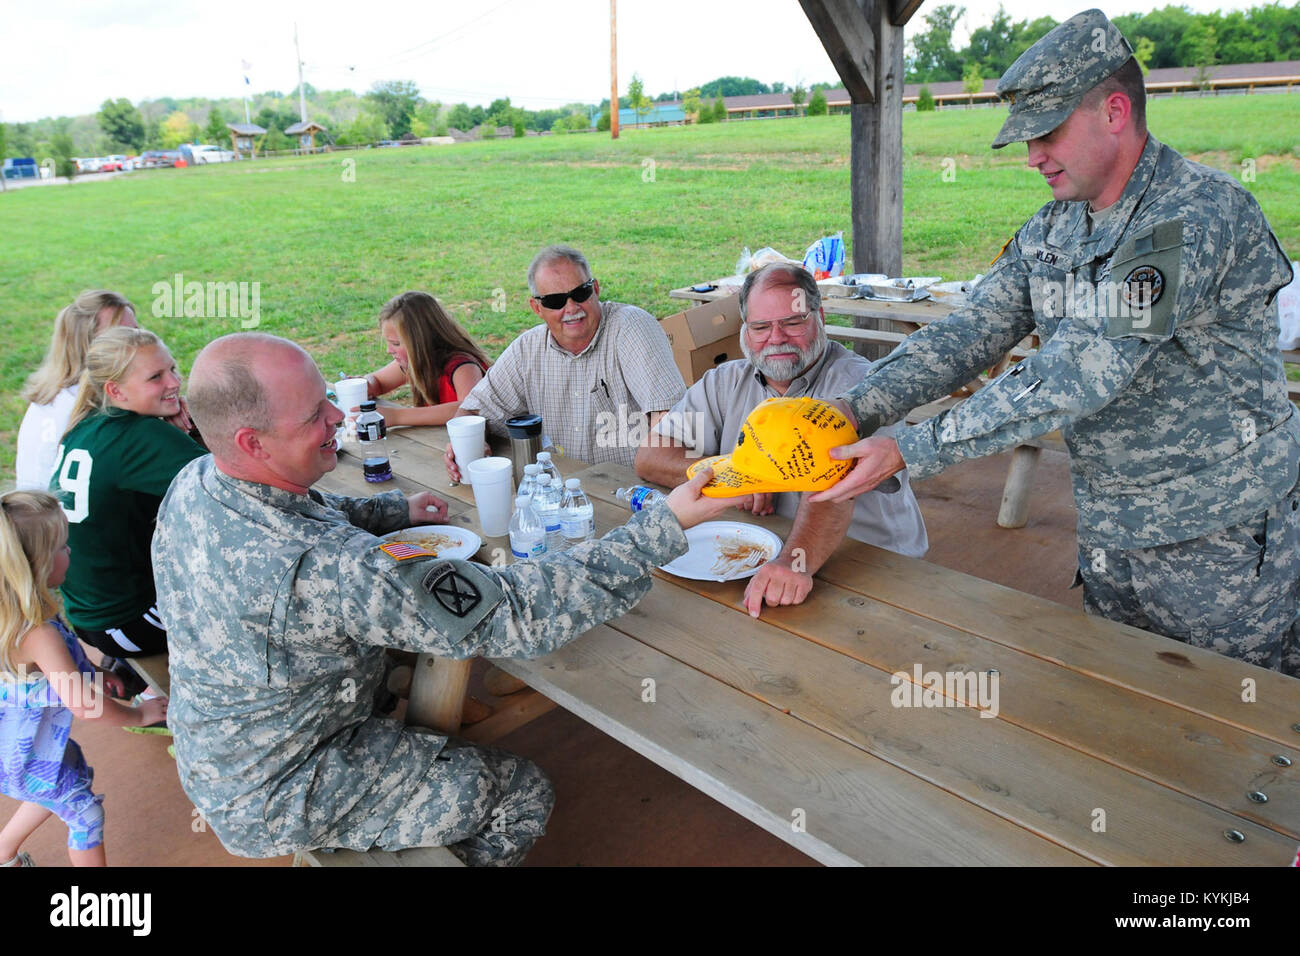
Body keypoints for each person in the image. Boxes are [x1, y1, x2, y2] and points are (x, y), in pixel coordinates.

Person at [813, 10, 1300, 677]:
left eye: (1046, 133)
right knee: (1122, 714)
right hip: (1110, 530)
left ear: (1115, 111)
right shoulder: (1056, 225)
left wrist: (909, 448)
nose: (1033, 155)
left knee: (1242, 743)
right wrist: (854, 409)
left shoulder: (1191, 216)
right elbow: (969, 331)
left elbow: (1082, 371)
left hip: (1218, 539)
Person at [151, 332, 735, 865]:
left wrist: (389, 511)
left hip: (221, 757)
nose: (337, 416)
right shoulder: (329, 568)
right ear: (252, 441)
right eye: (313, 416)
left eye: (327, 397)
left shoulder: (200, 480)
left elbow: (307, 513)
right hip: (289, 785)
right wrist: (663, 526)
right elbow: (519, 614)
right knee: (520, 793)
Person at [637, 263, 928, 618]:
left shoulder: (861, 386)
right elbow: (651, 456)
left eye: (792, 323)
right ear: (744, 329)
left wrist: (795, 562)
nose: (776, 339)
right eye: (760, 327)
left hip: (868, 564)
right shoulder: (725, 381)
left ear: (819, 316)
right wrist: (732, 478)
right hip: (761, 557)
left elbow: (834, 489)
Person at [0, 491, 167, 867]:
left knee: (56, 787)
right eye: (61, 546)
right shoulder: (37, 632)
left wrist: (96, 673)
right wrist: (137, 716)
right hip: (25, 755)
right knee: (84, 814)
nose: (70, 551)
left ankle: (3, 851)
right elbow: (84, 705)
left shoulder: (19, 610)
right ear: (35, 564)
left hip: (24, 747)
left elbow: (55, 671)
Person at [445, 244, 685, 479]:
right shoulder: (528, 349)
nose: (571, 308)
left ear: (596, 289)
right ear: (537, 307)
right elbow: (472, 411)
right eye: (555, 301)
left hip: (636, 489)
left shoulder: (631, 327)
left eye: (580, 293)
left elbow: (670, 420)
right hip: (563, 493)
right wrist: (465, 444)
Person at [49, 328, 205, 666]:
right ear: (115, 390)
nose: (174, 382)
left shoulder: (86, 423)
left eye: (173, 369)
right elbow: (237, 485)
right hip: (132, 622)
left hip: (89, 617)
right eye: (155, 377)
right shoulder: (141, 435)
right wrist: (192, 430)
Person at [15, 291, 139, 491]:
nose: (139, 343)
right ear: (86, 344)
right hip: (53, 518)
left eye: (136, 331)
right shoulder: (92, 405)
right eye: (121, 336)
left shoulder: (54, 392)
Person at [358, 291, 491, 426]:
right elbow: (378, 382)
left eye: (396, 344)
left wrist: (396, 417)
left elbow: (470, 409)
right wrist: (365, 385)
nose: (388, 350)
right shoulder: (413, 363)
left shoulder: (463, 366)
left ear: (421, 342)